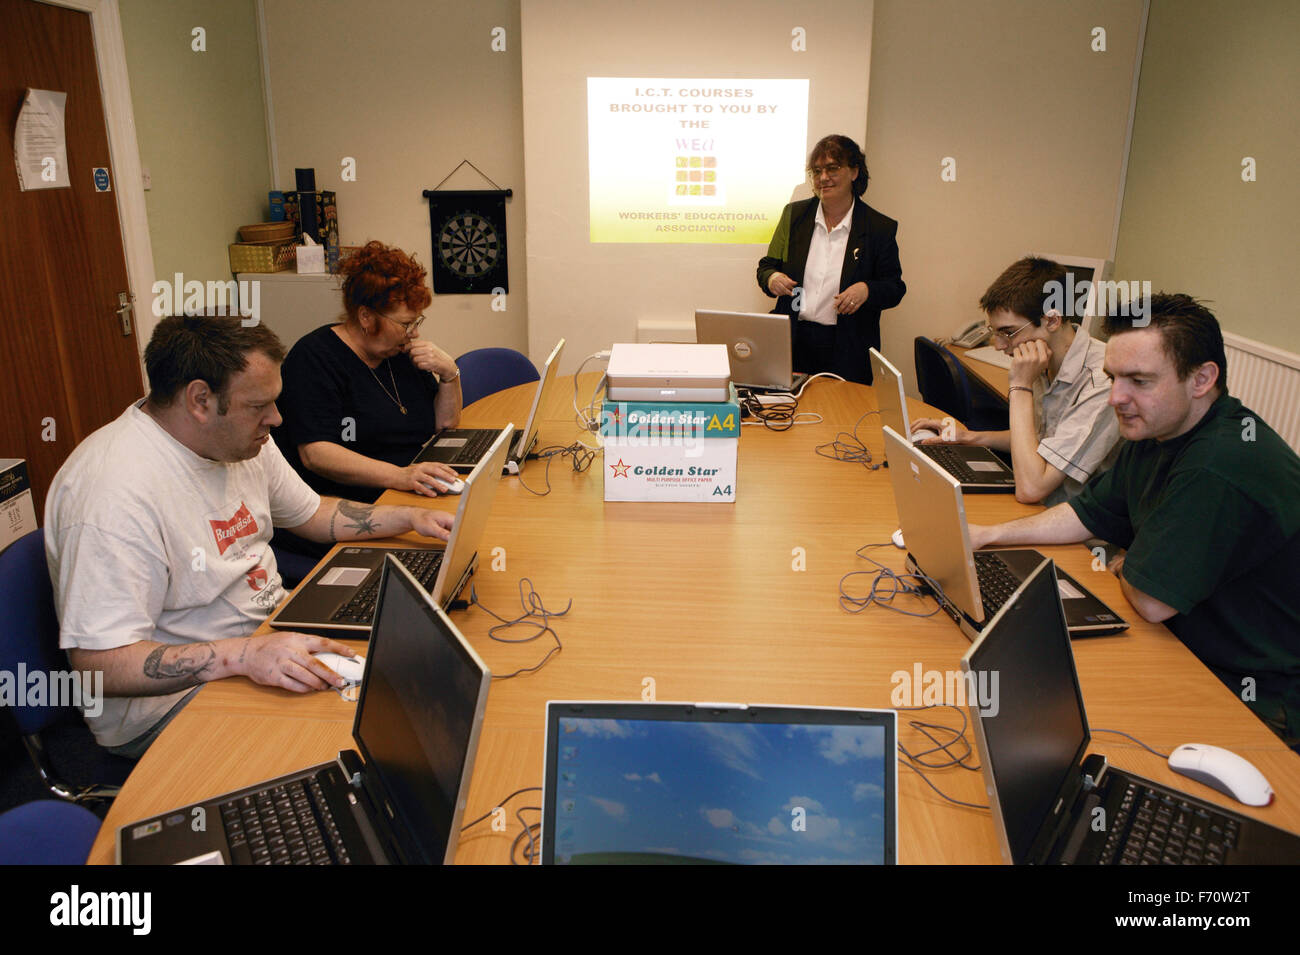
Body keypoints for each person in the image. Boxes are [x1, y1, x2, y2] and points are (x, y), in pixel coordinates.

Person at [45, 316, 457, 757]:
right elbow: (98, 667)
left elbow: (312, 512)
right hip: (169, 706)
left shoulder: (238, 439)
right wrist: (243, 656)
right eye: (260, 405)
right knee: (372, 743)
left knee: (422, 674)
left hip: (269, 636)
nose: (277, 419)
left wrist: (409, 516)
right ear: (200, 400)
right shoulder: (110, 493)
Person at [968, 294, 1300, 747]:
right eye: (1113, 378)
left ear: (1202, 379)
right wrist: (987, 536)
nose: (1117, 398)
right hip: (1182, 642)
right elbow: (1086, 515)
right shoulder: (1157, 426)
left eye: (1139, 381)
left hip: (1253, 693)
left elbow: (1150, 600)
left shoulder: (1220, 463)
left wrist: (1134, 561)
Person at [911, 257, 1121, 505]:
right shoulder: (1044, 360)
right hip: (1037, 497)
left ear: (1051, 321)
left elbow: (1032, 488)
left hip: (1070, 524)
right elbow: (1040, 440)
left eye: (1008, 333)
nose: (999, 345)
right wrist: (969, 438)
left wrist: (1021, 386)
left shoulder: (1103, 382)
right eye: (995, 332)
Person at [274, 240, 464, 506]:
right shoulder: (313, 359)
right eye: (406, 324)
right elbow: (316, 454)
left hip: (412, 488)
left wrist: (449, 374)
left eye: (417, 322)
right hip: (349, 504)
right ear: (365, 317)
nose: (414, 333)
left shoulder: (397, 351)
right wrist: (401, 476)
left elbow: (444, 425)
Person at [756, 134, 905, 384]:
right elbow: (767, 266)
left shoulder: (879, 228)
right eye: (816, 171)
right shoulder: (794, 216)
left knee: (843, 418)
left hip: (848, 347)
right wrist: (772, 278)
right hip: (794, 341)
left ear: (855, 172)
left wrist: (866, 289)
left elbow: (895, 287)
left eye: (832, 168)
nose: (823, 178)